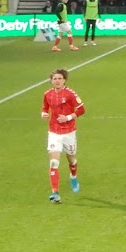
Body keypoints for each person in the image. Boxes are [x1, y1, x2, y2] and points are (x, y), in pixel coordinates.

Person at [41, 68, 86, 203]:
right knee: (54, 162)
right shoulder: (47, 94)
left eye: (60, 78)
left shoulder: (70, 94)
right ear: (51, 81)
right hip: (54, 132)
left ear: (64, 80)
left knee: (71, 159)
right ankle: (55, 193)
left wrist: (67, 117)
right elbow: (45, 107)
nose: (57, 81)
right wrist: (43, 114)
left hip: (69, 132)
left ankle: (73, 176)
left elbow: (81, 109)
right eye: (55, 79)